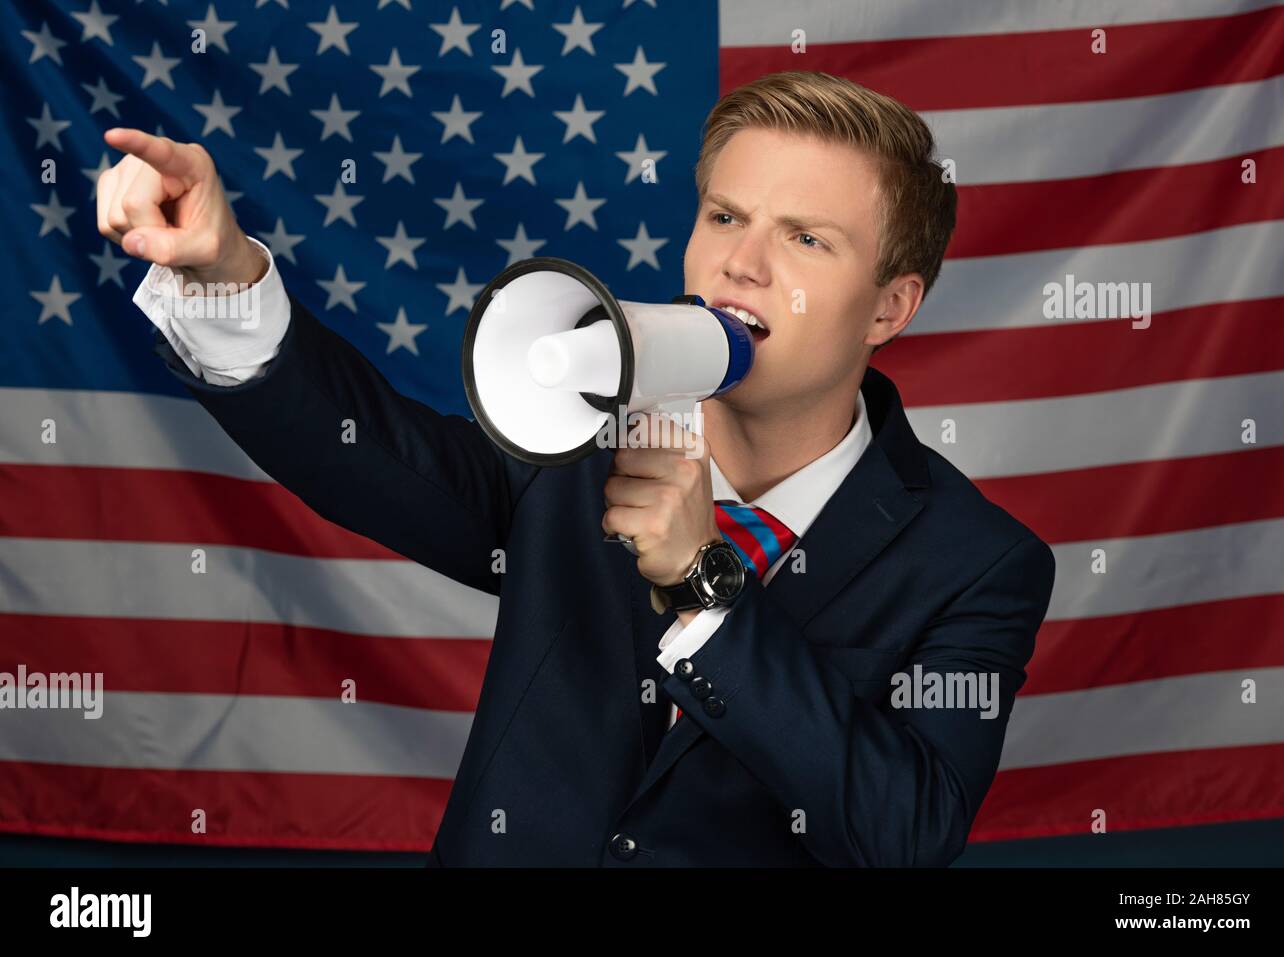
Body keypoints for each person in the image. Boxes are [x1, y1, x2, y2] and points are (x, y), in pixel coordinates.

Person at [96, 71, 1055, 867]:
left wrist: (702, 586)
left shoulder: (977, 562)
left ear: (890, 306)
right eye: (725, 215)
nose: (742, 264)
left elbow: (905, 827)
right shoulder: (579, 447)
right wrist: (219, 271)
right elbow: (364, 453)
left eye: (807, 238)